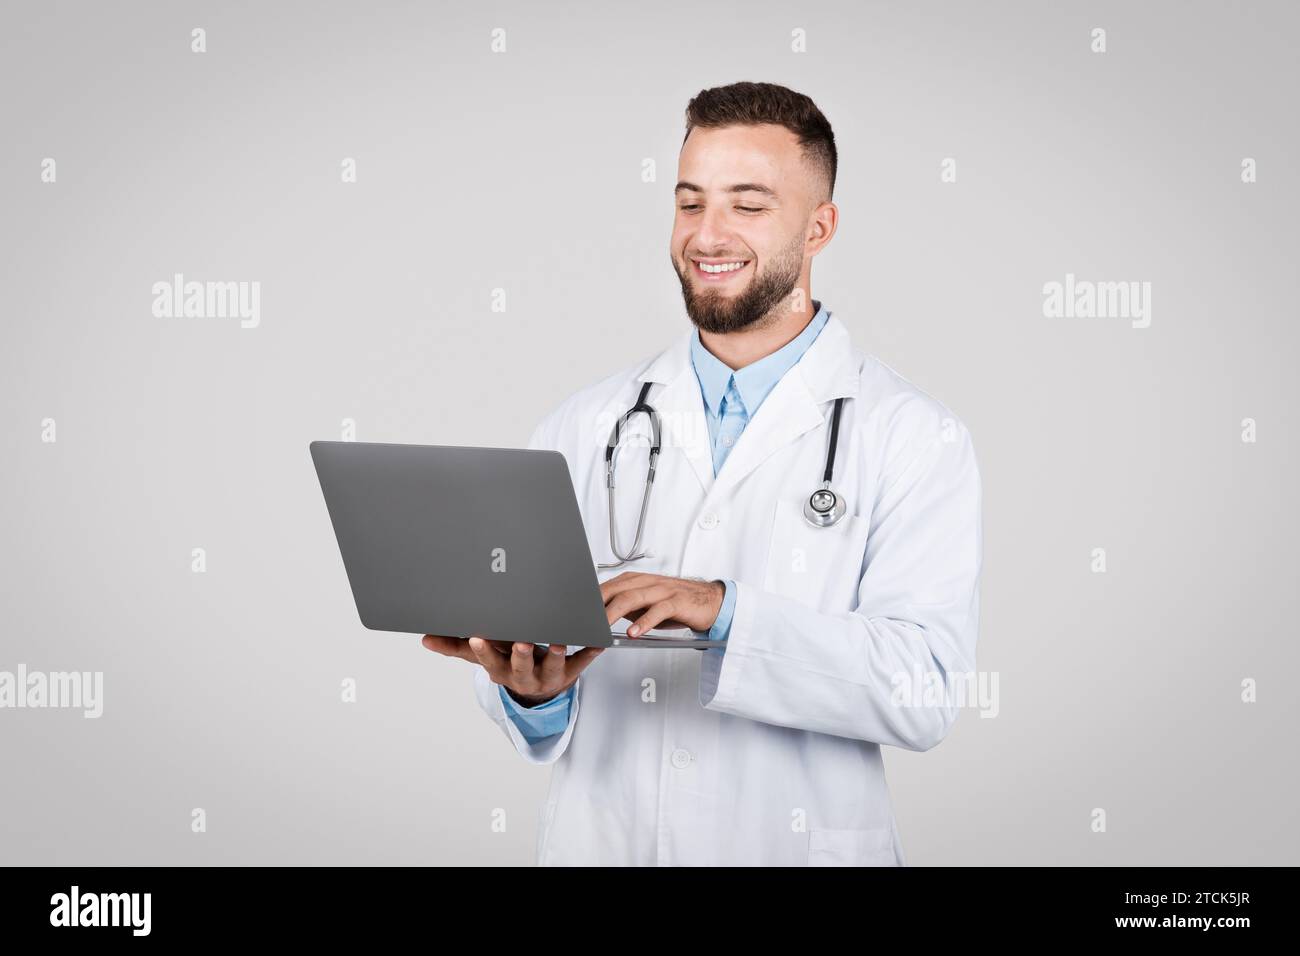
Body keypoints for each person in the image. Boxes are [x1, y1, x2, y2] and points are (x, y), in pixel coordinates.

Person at [422, 81, 983, 866]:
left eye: (748, 206)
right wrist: (532, 694)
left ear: (819, 227)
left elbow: (922, 692)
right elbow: (530, 673)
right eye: (690, 204)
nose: (707, 236)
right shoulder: (585, 426)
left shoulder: (914, 436)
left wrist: (722, 611)